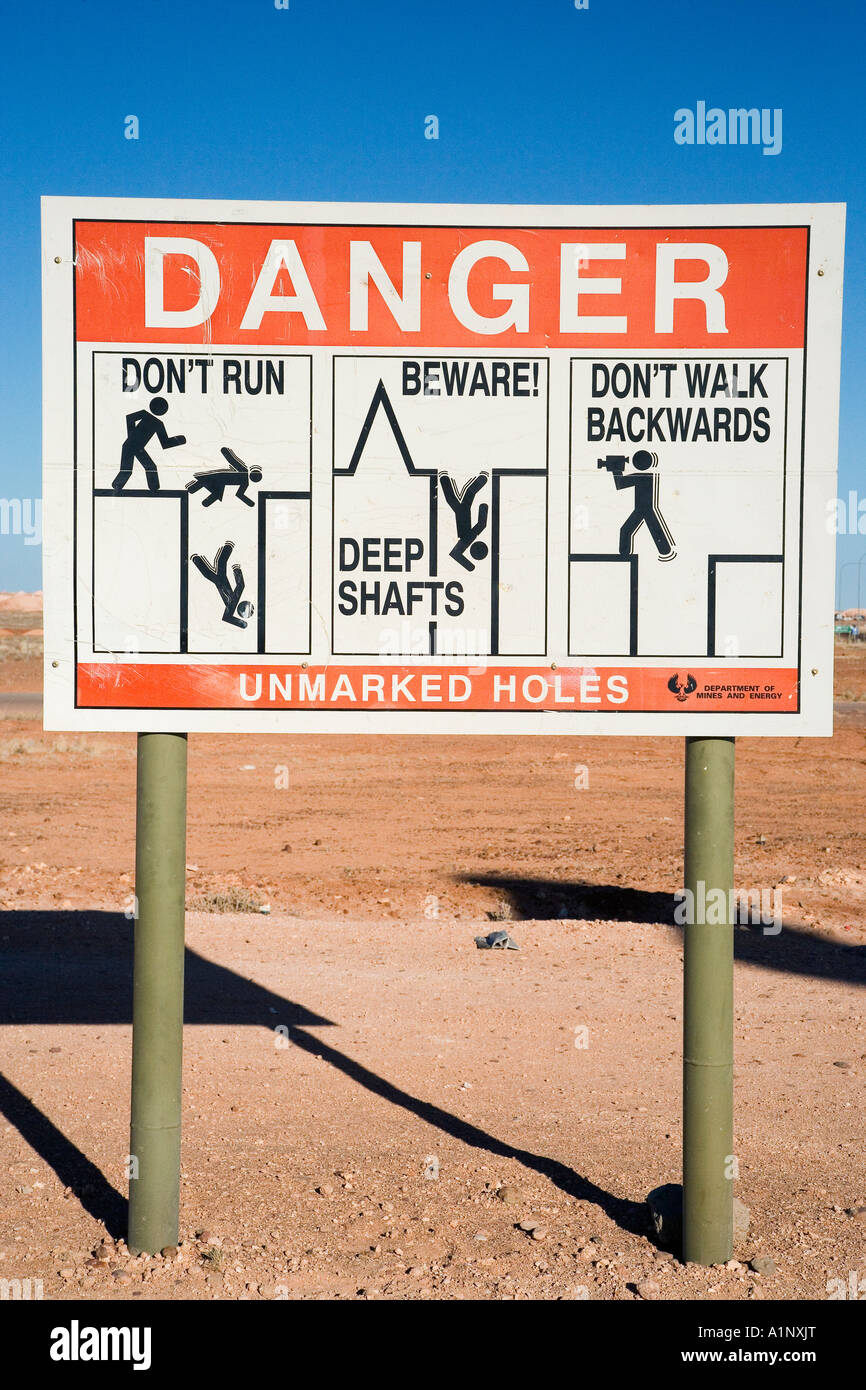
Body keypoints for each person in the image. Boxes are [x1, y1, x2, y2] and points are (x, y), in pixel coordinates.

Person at [602, 450, 676, 561]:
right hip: (644, 508)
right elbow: (621, 483)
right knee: (636, 529)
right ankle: (665, 550)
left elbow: (620, 484)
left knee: (626, 530)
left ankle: (624, 555)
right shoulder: (647, 475)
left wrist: (615, 468)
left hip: (642, 509)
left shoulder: (641, 476)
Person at [112, 397, 185, 493]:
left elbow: (165, 443)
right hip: (130, 446)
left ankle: (153, 488)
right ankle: (117, 486)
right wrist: (132, 436)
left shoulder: (158, 423)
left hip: (137, 447)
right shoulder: (145, 415)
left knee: (150, 467)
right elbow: (130, 418)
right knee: (128, 469)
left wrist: (178, 440)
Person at [191, 541, 254, 629]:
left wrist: (242, 624)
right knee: (218, 566)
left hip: (219, 582)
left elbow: (226, 618)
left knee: (214, 570)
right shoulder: (234, 602)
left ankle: (196, 558)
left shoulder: (231, 608)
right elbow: (241, 585)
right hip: (221, 580)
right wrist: (236, 569)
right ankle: (196, 559)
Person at [440, 473, 489, 571]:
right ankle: (443, 477)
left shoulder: (461, 546)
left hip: (465, 538)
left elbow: (455, 554)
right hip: (466, 537)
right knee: (459, 503)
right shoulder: (463, 544)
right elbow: (481, 524)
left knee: (458, 503)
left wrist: (470, 567)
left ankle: (443, 477)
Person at [186, 447, 262, 507]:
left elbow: (231, 459)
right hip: (221, 482)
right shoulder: (246, 483)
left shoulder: (244, 469)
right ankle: (195, 492)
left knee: (206, 482)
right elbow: (239, 495)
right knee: (213, 493)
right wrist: (251, 503)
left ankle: (192, 489)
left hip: (219, 477)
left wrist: (225, 451)